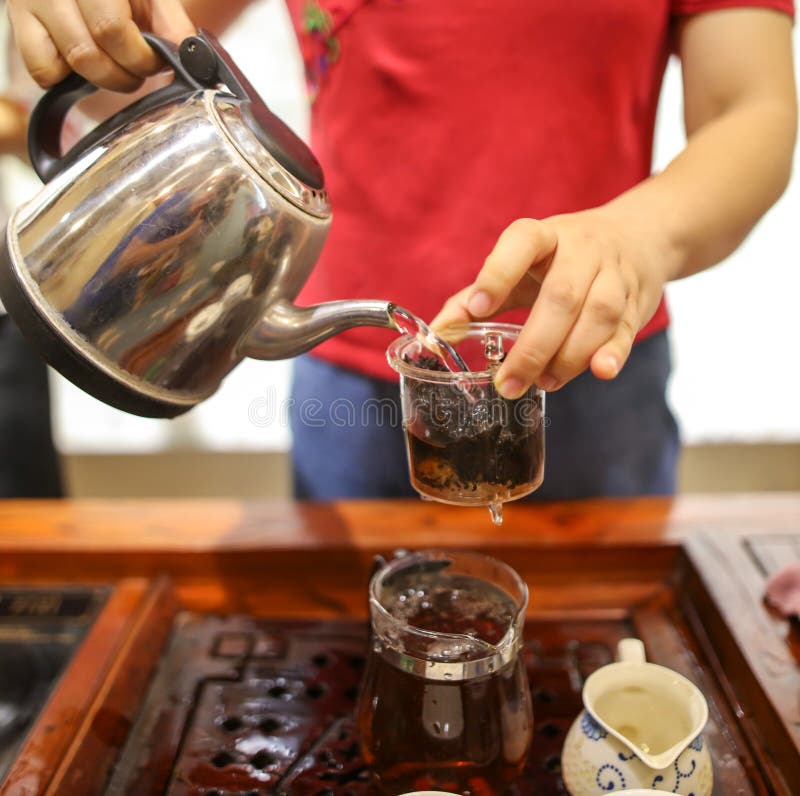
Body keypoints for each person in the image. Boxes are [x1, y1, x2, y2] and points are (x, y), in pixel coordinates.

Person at [7, 0, 796, 500]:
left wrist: (639, 236)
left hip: (591, 366)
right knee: (361, 664)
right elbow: (148, 46)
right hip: (347, 388)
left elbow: (751, 105)